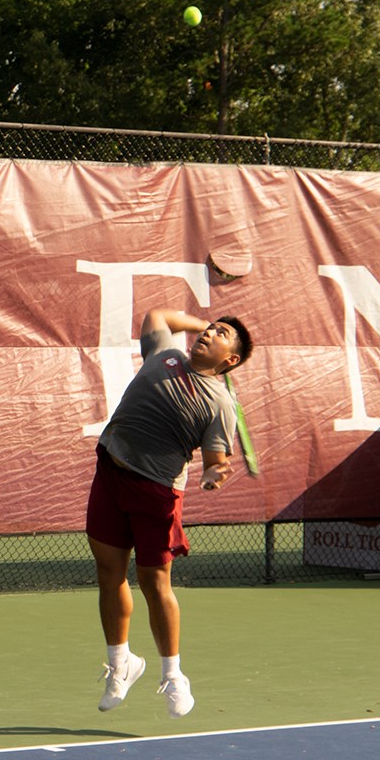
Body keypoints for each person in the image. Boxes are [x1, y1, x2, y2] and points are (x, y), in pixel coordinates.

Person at [87, 308, 254, 718]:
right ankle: (121, 663)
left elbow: (215, 458)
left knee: (154, 583)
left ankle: (174, 675)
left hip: (156, 491)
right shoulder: (164, 353)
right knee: (109, 574)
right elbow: (156, 315)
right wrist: (201, 323)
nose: (210, 334)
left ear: (229, 360)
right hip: (110, 470)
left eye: (221, 335)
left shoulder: (219, 403)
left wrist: (215, 474)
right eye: (212, 328)